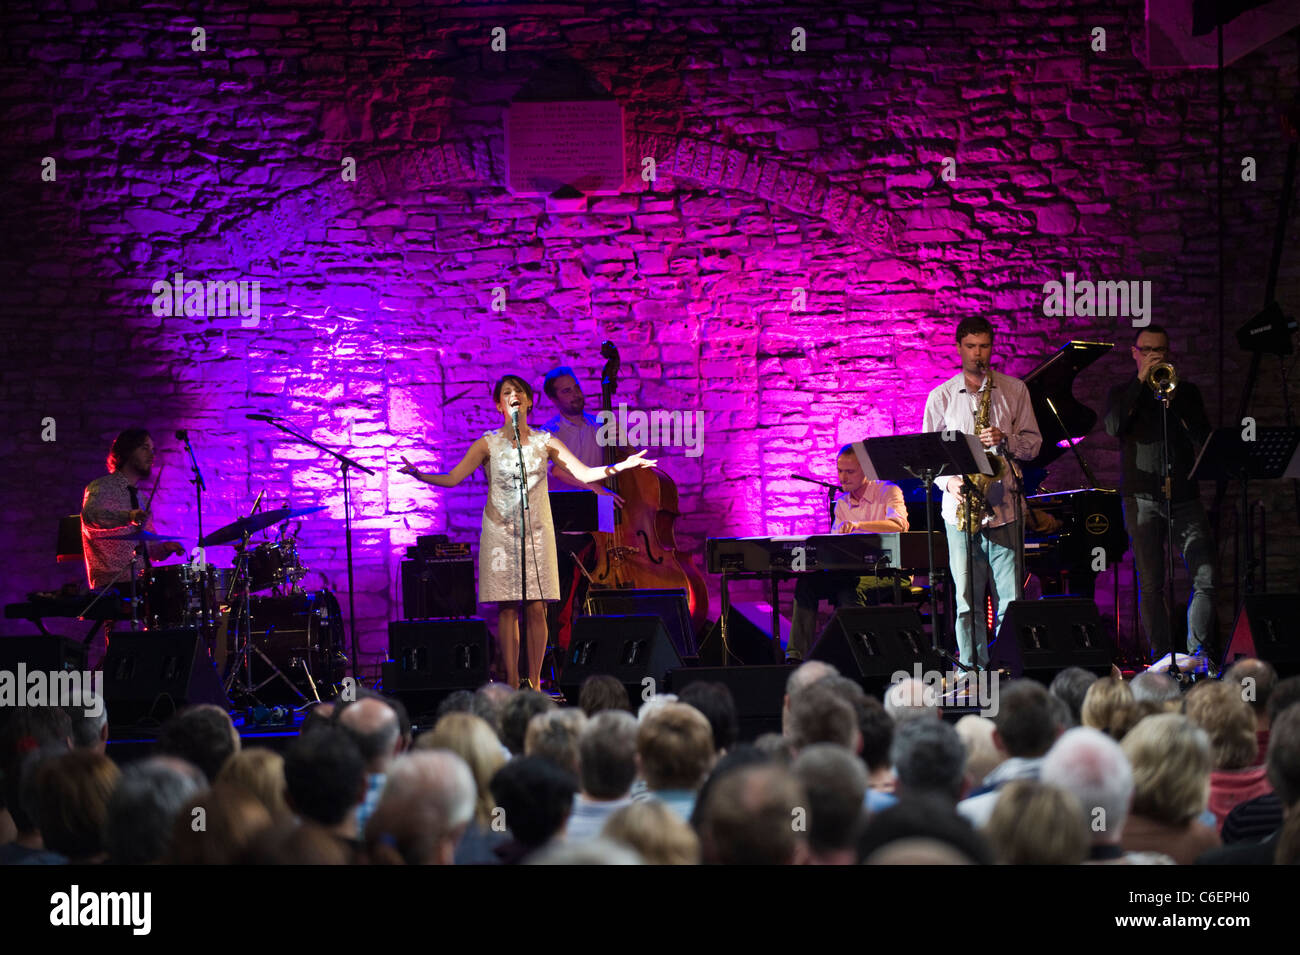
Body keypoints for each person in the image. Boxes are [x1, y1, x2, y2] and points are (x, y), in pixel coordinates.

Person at [397, 374, 656, 688]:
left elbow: (585, 472)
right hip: (500, 532)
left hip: (538, 531)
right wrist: (420, 475)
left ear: (529, 401)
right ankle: (513, 682)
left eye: (518, 390)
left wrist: (622, 466)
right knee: (508, 606)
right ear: (499, 405)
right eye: (506, 392)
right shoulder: (487, 443)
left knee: (537, 605)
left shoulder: (545, 441)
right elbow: (453, 479)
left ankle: (534, 682)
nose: (513, 395)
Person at [922, 318, 1041, 668]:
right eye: (971, 346)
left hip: (1004, 505)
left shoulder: (1014, 390)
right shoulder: (941, 397)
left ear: (993, 347)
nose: (978, 354)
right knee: (965, 600)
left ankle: (1008, 666)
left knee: (1011, 599)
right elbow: (929, 459)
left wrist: (1006, 440)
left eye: (984, 346)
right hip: (961, 510)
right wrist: (950, 483)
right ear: (959, 347)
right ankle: (972, 668)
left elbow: (1034, 445)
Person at [1104, 325, 1215, 663]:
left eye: (1161, 351)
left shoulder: (1187, 392)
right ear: (1134, 352)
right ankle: (1163, 658)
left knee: (1206, 578)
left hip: (1184, 495)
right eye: (1148, 350)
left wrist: (1175, 397)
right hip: (1141, 498)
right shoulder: (1121, 392)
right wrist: (1140, 381)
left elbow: (1202, 437)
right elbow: (1113, 427)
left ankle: (1198, 654)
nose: (1155, 356)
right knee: (1151, 583)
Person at [786, 445, 909, 661]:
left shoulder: (888, 491)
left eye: (849, 472)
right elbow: (837, 546)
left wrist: (859, 525)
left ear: (867, 470)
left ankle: (861, 658)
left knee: (849, 592)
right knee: (807, 585)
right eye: (840, 471)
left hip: (888, 571)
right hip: (851, 572)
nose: (843, 478)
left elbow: (899, 524)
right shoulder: (841, 503)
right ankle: (796, 658)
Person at [80, 429, 185, 627]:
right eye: (144, 448)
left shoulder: (142, 499)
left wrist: (164, 549)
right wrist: (127, 516)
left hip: (142, 583)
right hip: (114, 585)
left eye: (153, 450)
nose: (151, 455)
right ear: (127, 451)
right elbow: (91, 516)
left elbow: (149, 549)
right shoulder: (101, 487)